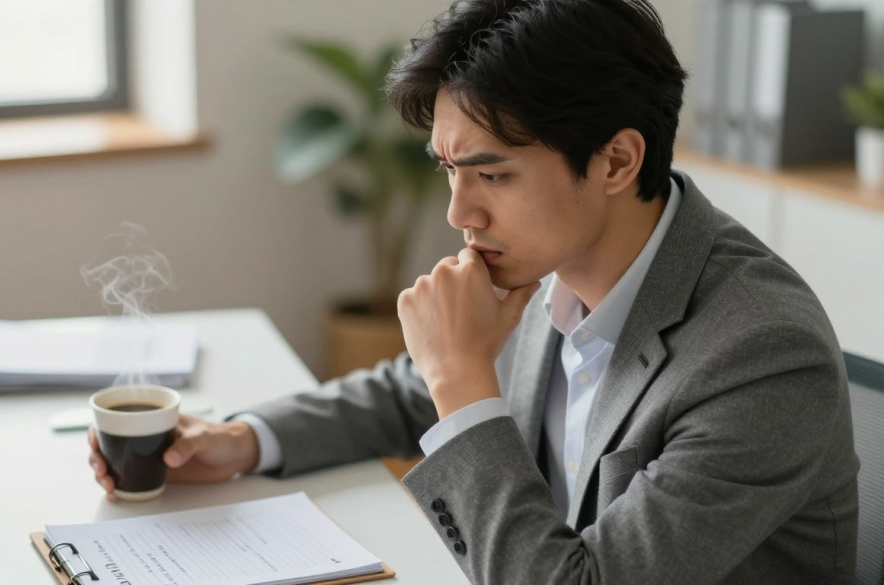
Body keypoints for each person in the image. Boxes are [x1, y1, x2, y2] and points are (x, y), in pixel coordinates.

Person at [89, 0, 860, 582]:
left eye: (492, 174)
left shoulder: (762, 354)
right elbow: (410, 390)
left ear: (619, 161)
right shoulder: (553, 256)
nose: (460, 214)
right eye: (450, 171)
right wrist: (244, 440)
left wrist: (461, 379)